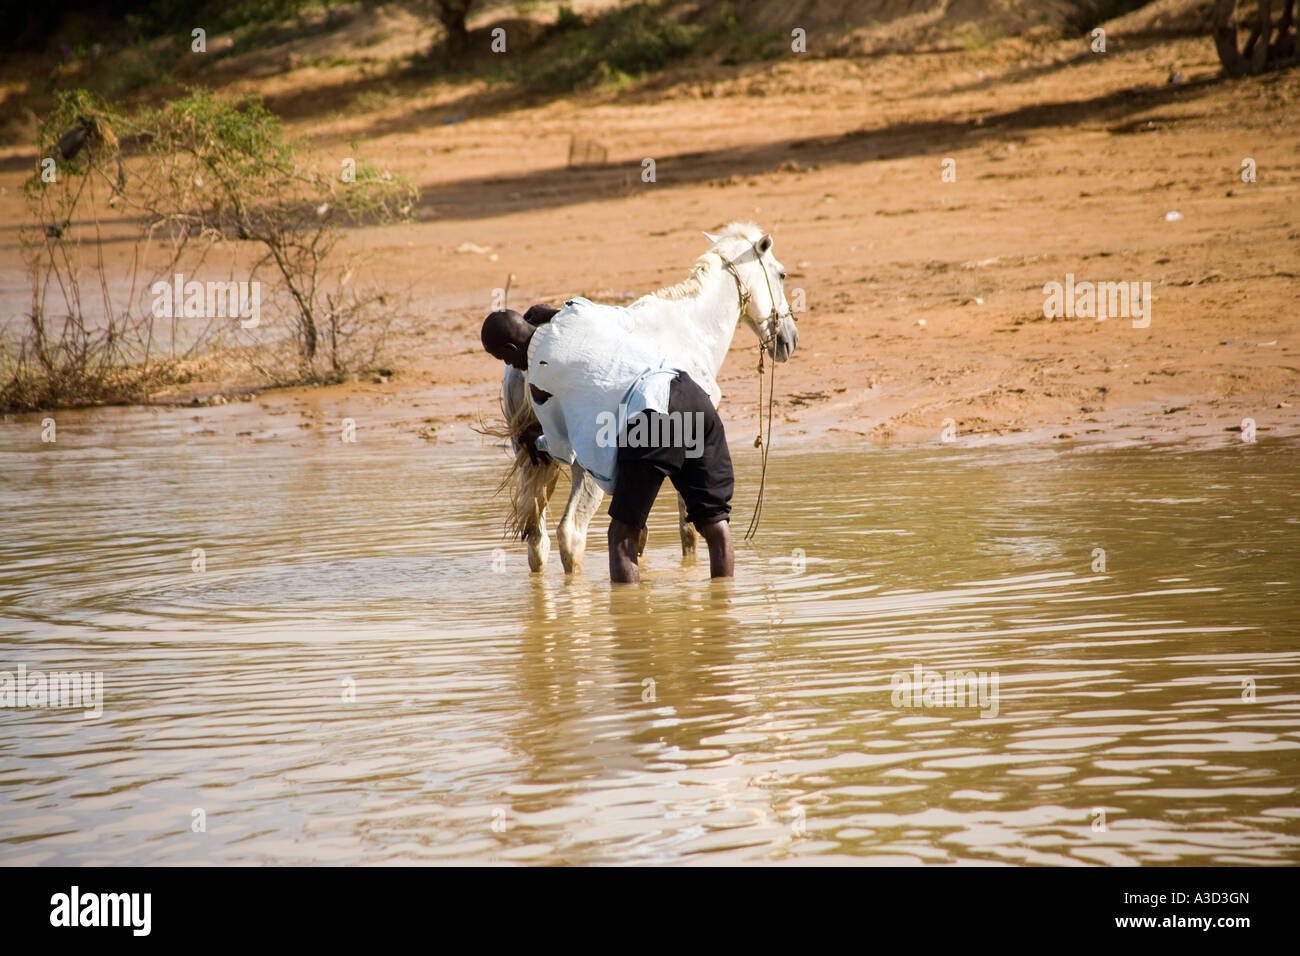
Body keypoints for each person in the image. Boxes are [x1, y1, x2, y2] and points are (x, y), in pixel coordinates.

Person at [482, 298, 734, 583]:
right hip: (692, 395)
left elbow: (563, 449)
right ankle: (723, 617)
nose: (509, 364)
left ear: (511, 350)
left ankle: (628, 626)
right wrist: (557, 313)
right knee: (714, 523)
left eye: (504, 359)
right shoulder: (578, 313)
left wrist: (536, 440)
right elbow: (626, 318)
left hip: (651, 417)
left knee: (621, 535)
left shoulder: (540, 382)